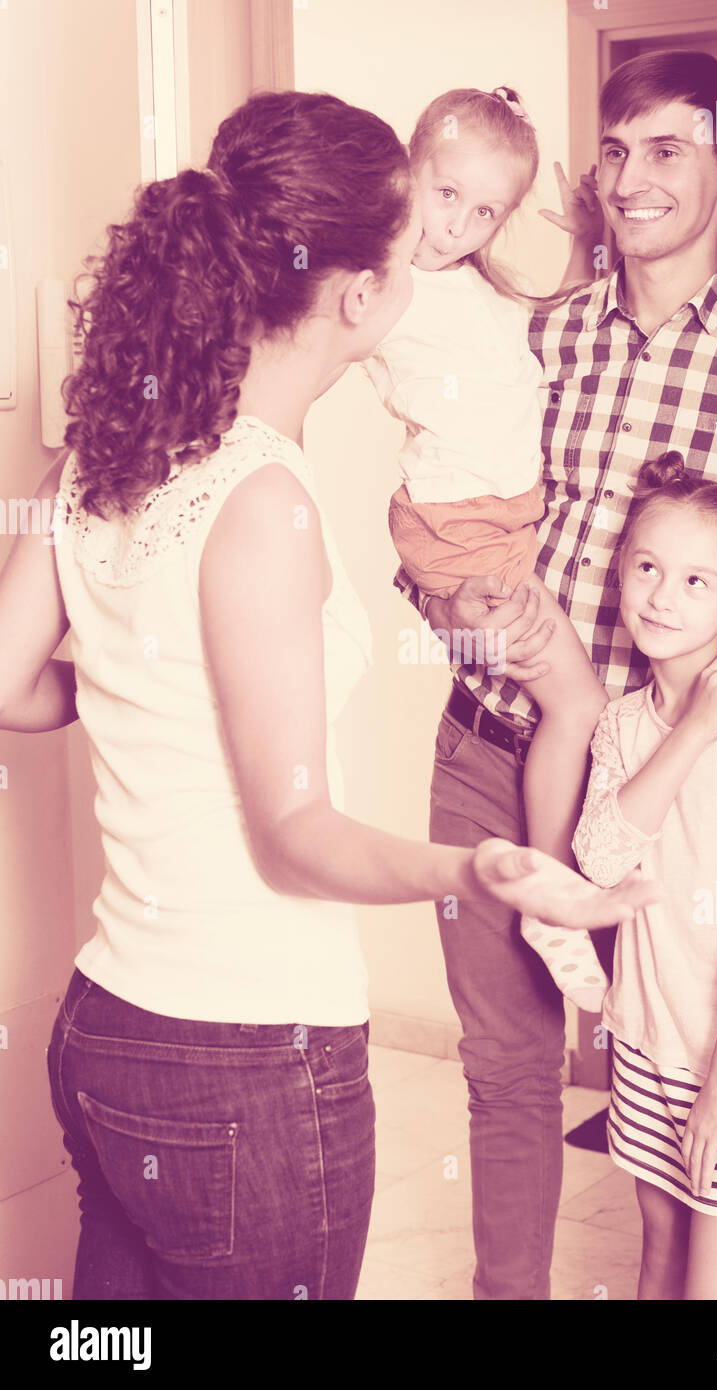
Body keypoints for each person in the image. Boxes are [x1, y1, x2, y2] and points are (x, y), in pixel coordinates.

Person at [0, 90, 655, 1301]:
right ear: (361, 298)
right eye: (410, 246)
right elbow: (296, 839)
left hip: (104, 1029)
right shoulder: (266, 499)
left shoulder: (98, 452)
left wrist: (157, 677)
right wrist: (475, 869)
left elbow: (7, 682)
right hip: (244, 1060)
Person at [394, 49, 717, 1300]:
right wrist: (453, 607)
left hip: (664, 786)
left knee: (661, 1072)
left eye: (670, 149)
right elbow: (444, 501)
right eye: (615, 151)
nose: (632, 180)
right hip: (490, 745)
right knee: (511, 1071)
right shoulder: (534, 333)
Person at [362, 85, 611, 1009]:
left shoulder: (475, 284)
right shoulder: (382, 277)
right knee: (575, 700)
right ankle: (550, 894)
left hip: (504, 518)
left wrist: (590, 240)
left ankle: (547, 886)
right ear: (407, 171)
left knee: (564, 703)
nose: (458, 225)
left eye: (485, 212)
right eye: (445, 194)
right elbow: (301, 322)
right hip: (461, 525)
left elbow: (556, 324)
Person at [566, 452, 717, 1300]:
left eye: (697, 582)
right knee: (657, 1263)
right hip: (645, 1044)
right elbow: (597, 860)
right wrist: (691, 726)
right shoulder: (622, 725)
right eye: (646, 567)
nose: (662, 597)